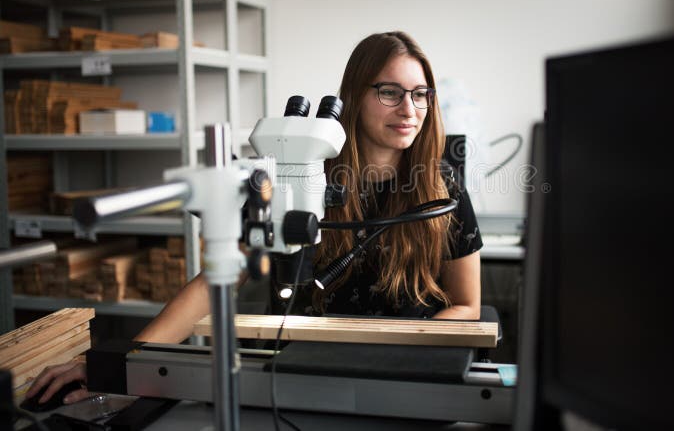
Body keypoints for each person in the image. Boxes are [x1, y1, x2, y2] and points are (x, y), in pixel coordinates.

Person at [24, 30, 483, 406]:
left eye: (421, 94)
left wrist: (395, 356)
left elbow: (467, 305)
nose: (409, 109)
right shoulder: (300, 174)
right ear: (354, 96)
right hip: (301, 378)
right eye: (390, 92)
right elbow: (216, 281)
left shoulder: (444, 189)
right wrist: (118, 366)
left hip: (405, 383)